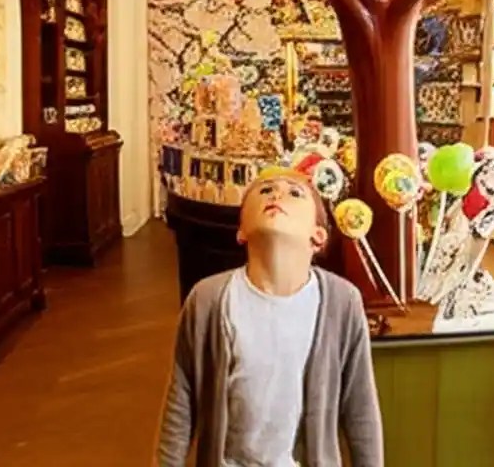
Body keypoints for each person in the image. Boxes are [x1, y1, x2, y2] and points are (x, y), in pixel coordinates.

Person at [156, 169, 383, 466]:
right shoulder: (208, 298)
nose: (277, 194)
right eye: (264, 190)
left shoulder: (342, 302)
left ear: (318, 236)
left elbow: (361, 409)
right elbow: (181, 402)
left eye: (295, 193)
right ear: (241, 230)